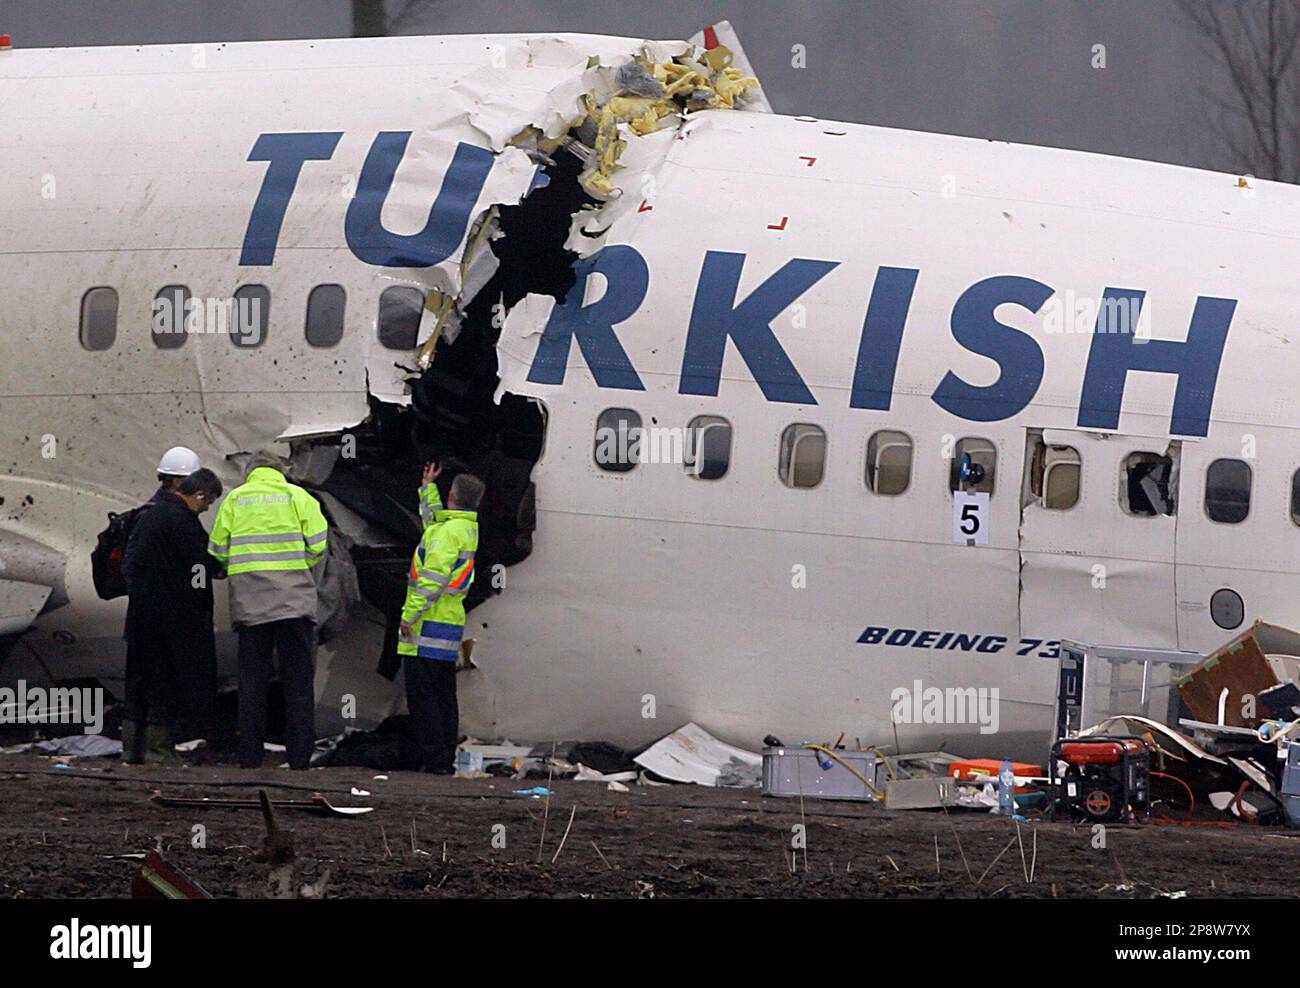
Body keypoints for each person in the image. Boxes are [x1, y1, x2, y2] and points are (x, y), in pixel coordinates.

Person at [207, 451, 329, 770]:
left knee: (252, 682)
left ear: (251, 472)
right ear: (280, 471)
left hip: (251, 608)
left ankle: (250, 757)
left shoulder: (235, 500)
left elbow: (217, 550)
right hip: (294, 605)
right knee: (298, 683)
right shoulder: (298, 497)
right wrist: (298, 569)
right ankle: (299, 758)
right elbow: (318, 545)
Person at [121, 467, 223, 764]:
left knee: (138, 682)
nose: (205, 509)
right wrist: (217, 569)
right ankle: (158, 750)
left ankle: (131, 749)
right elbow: (199, 566)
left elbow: (130, 565)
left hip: (140, 616)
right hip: (173, 619)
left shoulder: (146, 514)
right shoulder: (182, 521)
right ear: (199, 494)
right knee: (164, 685)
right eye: (207, 502)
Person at [399, 472, 483, 774]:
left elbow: (431, 579)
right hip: (448, 623)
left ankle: (434, 761)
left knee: (423, 700)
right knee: (444, 696)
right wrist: (427, 488)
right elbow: (433, 523)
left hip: (426, 624)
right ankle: (443, 758)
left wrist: (410, 615)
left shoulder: (446, 534)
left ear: (452, 498)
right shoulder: (463, 528)